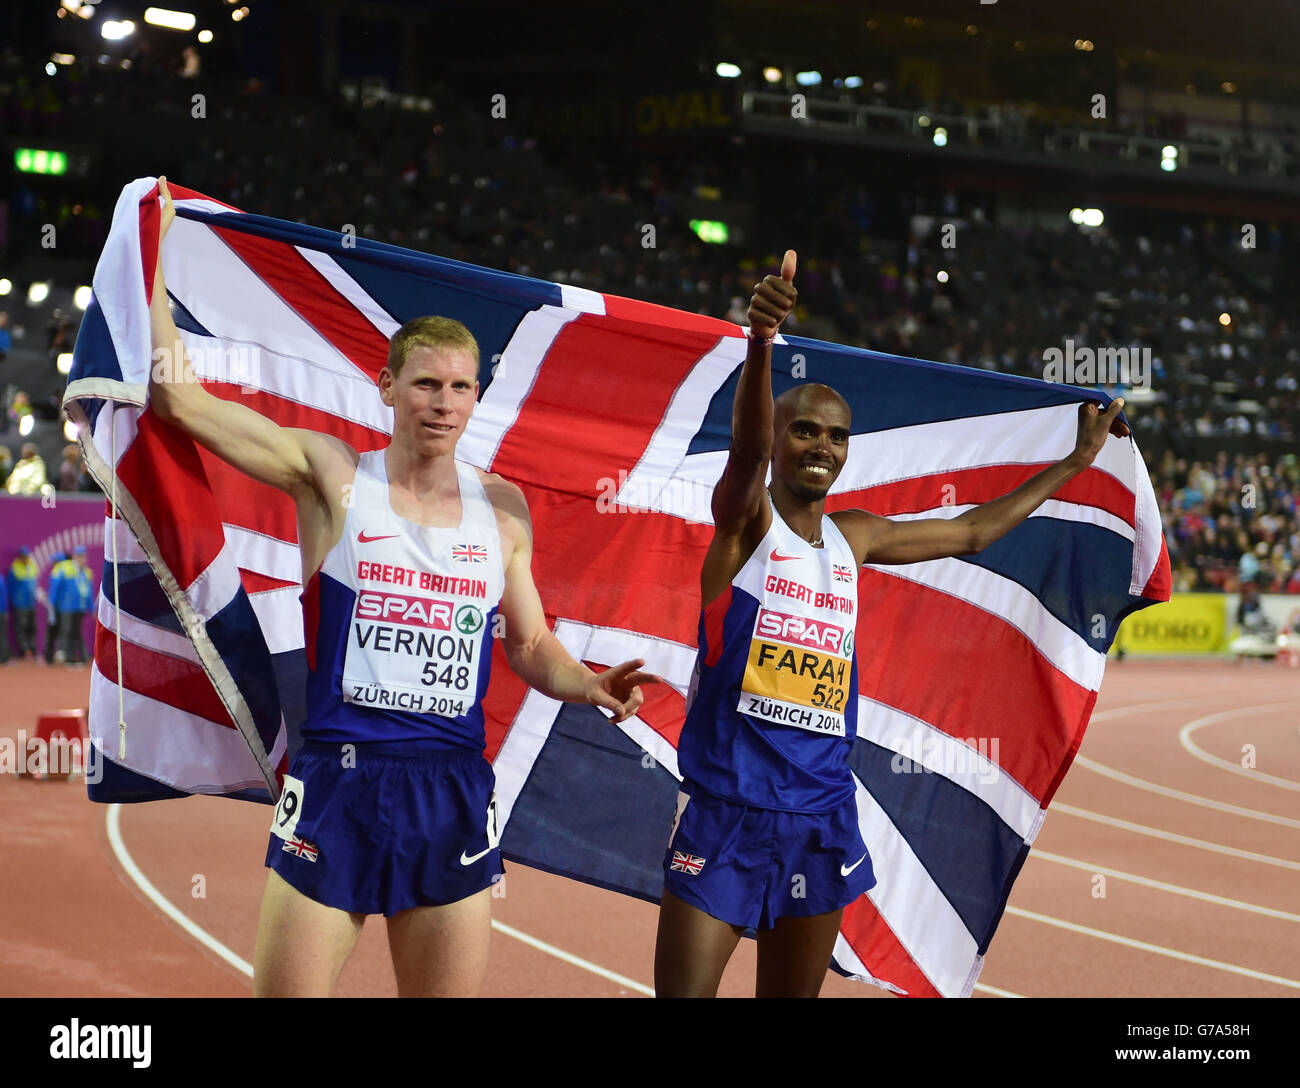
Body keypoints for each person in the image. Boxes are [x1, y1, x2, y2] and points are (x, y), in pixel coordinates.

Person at [147, 177, 658, 997]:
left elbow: (527, 645)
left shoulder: (502, 507)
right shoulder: (332, 475)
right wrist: (153, 255)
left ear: (477, 398)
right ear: (387, 388)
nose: (442, 403)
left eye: (459, 388)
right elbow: (176, 397)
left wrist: (587, 684)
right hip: (338, 787)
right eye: (425, 384)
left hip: (450, 790)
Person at [654, 250, 1129, 998]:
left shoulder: (858, 537)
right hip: (725, 810)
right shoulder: (743, 526)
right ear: (778, 441)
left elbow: (971, 534)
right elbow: (741, 451)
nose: (822, 446)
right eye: (804, 430)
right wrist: (759, 345)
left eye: (837, 437)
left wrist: (1075, 462)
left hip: (819, 815)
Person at [59, 545, 93, 665]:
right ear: (74, 557)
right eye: (79, 557)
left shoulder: (87, 572)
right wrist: (54, 605)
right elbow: (57, 588)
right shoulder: (66, 569)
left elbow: (88, 592)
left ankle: (83, 657)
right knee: (68, 631)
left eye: (83, 557)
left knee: (77, 632)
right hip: (67, 607)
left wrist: (92, 608)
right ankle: (69, 658)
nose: (81, 559)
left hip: (80, 607)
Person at [6, 546, 38, 659]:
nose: (25, 558)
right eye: (23, 556)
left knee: (32, 627)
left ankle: (32, 648)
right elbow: (10, 587)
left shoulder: (31, 566)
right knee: (21, 627)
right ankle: (25, 650)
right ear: (19, 557)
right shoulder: (14, 568)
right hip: (20, 604)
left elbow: (34, 584)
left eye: (27, 556)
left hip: (31, 603)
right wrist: (14, 600)